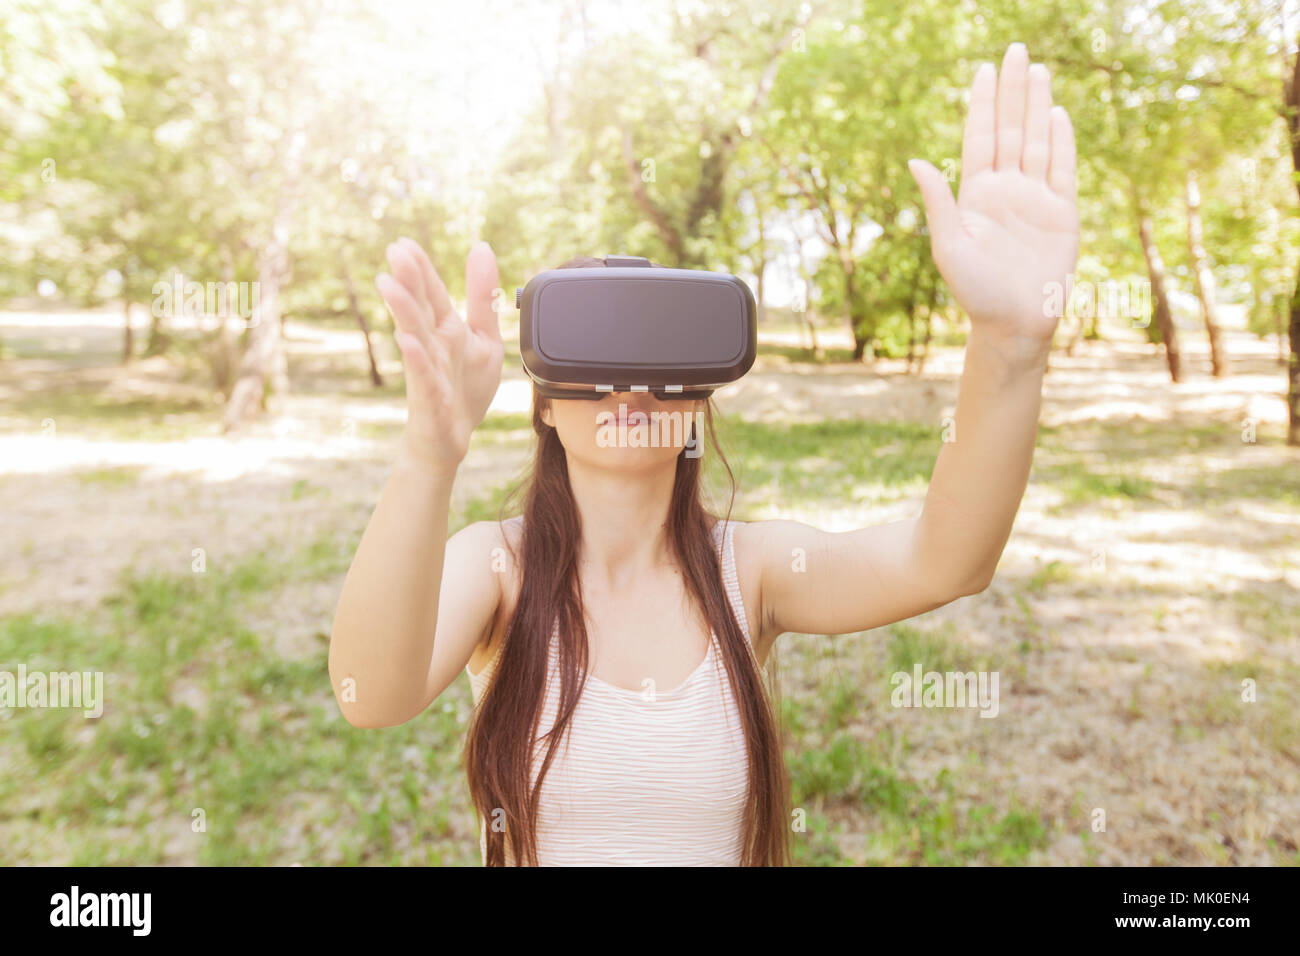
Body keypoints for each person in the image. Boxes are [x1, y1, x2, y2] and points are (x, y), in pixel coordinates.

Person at [328, 41, 1079, 866]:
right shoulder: (498, 570)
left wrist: (1009, 343)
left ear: (702, 391)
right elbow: (369, 696)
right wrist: (429, 457)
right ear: (543, 403)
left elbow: (946, 561)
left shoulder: (749, 571)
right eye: (594, 352)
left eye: (661, 352)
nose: (630, 386)